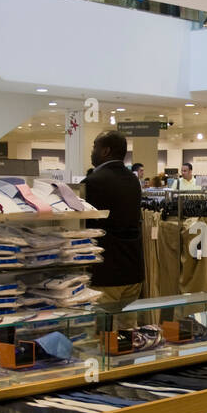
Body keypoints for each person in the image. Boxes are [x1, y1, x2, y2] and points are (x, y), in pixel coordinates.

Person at [85, 131, 144, 305]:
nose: (92, 152)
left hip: (105, 273)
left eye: (95, 147)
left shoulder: (93, 182)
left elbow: (85, 227)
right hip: (133, 271)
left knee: (103, 330)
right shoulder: (133, 182)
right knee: (128, 329)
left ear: (105, 151)